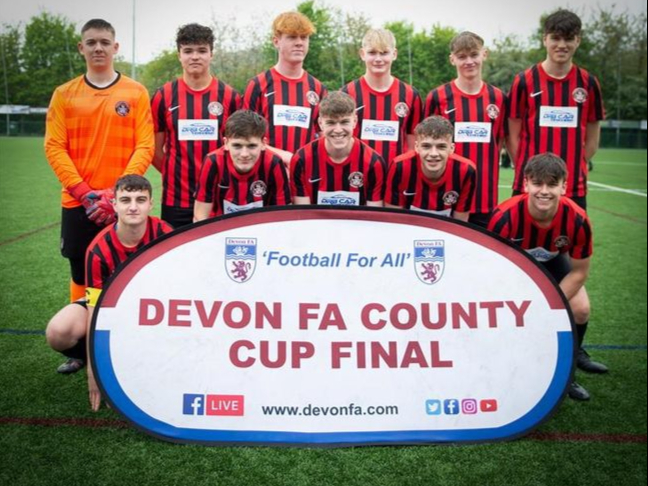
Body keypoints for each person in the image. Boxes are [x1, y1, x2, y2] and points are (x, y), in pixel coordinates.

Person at [44, 19, 154, 372]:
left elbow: (145, 145)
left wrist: (115, 193)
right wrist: (85, 193)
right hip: (79, 204)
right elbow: (54, 146)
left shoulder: (136, 92)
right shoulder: (64, 94)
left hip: (124, 203)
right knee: (80, 270)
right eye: (91, 42)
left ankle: (133, 341)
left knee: (131, 269)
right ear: (81, 48)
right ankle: (82, 350)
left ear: (115, 47)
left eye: (105, 42)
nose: (98, 48)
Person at [45, 175, 173, 410]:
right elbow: (95, 310)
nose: (133, 207)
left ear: (150, 204)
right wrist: (95, 373)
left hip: (151, 307)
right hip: (109, 307)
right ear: (114, 204)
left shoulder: (165, 234)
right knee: (58, 332)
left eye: (140, 200)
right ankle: (92, 358)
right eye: (125, 200)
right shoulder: (98, 249)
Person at [488, 153, 608, 401]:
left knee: (581, 309)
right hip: (513, 270)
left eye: (552, 185)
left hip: (553, 261)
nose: (544, 191)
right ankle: (502, 365)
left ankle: (569, 369)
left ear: (564, 186)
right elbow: (492, 268)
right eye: (537, 183)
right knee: (506, 313)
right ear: (525, 184)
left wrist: (549, 302)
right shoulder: (504, 217)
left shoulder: (577, 219)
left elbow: (579, 272)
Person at [507, 9, 605, 210]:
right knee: (519, 232)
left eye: (568, 39)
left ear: (577, 41)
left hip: (572, 186)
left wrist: (575, 165)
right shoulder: (524, 81)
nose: (562, 45)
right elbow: (512, 136)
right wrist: (528, 169)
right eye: (555, 38)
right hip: (529, 185)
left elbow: (593, 140)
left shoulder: (589, 83)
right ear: (545, 39)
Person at [151, 23, 240, 228]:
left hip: (219, 196)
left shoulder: (230, 97)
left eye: (201, 50)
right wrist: (175, 176)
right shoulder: (163, 96)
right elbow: (154, 150)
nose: (195, 57)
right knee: (175, 248)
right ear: (179, 55)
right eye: (188, 51)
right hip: (176, 200)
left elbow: (236, 148)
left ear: (211, 54)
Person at [425, 31, 506, 227]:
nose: (469, 61)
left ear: (484, 54)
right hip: (445, 197)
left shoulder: (498, 98)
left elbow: (499, 141)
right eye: (462, 57)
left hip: (485, 198)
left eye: (474, 55)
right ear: (452, 59)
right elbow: (426, 146)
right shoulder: (438, 97)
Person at [242, 11, 327, 168]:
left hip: (305, 173)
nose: (299, 43)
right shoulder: (258, 85)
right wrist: (283, 156)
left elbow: (324, 135)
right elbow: (244, 136)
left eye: (304, 37)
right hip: (265, 173)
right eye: (292, 37)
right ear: (276, 41)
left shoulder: (318, 88)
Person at [341, 28, 422, 167]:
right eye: (372, 52)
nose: (378, 59)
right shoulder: (347, 94)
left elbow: (413, 140)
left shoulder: (410, 94)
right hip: (357, 172)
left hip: (397, 174)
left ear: (394, 54)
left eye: (384, 53)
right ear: (362, 54)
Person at [291, 91, 385, 207]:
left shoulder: (373, 162)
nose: (338, 130)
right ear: (320, 123)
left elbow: (373, 214)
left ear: (354, 121)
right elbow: (303, 213)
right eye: (331, 123)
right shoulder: (301, 159)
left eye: (344, 122)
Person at [193, 110, 291, 220]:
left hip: (262, 227)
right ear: (226, 143)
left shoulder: (274, 163)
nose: (244, 154)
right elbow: (200, 217)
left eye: (252, 146)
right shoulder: (213, 162)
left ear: (263, 144)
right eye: (237, 146)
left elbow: (282, 215)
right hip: (220, 228)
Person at [385, 116, 475, 221]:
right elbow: (394, 220)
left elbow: (460, 222)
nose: (433, 154)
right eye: (426, 146)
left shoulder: (465, 170)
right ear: (417, 147)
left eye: (441, 147)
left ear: (451, 148)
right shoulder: (400, 167)